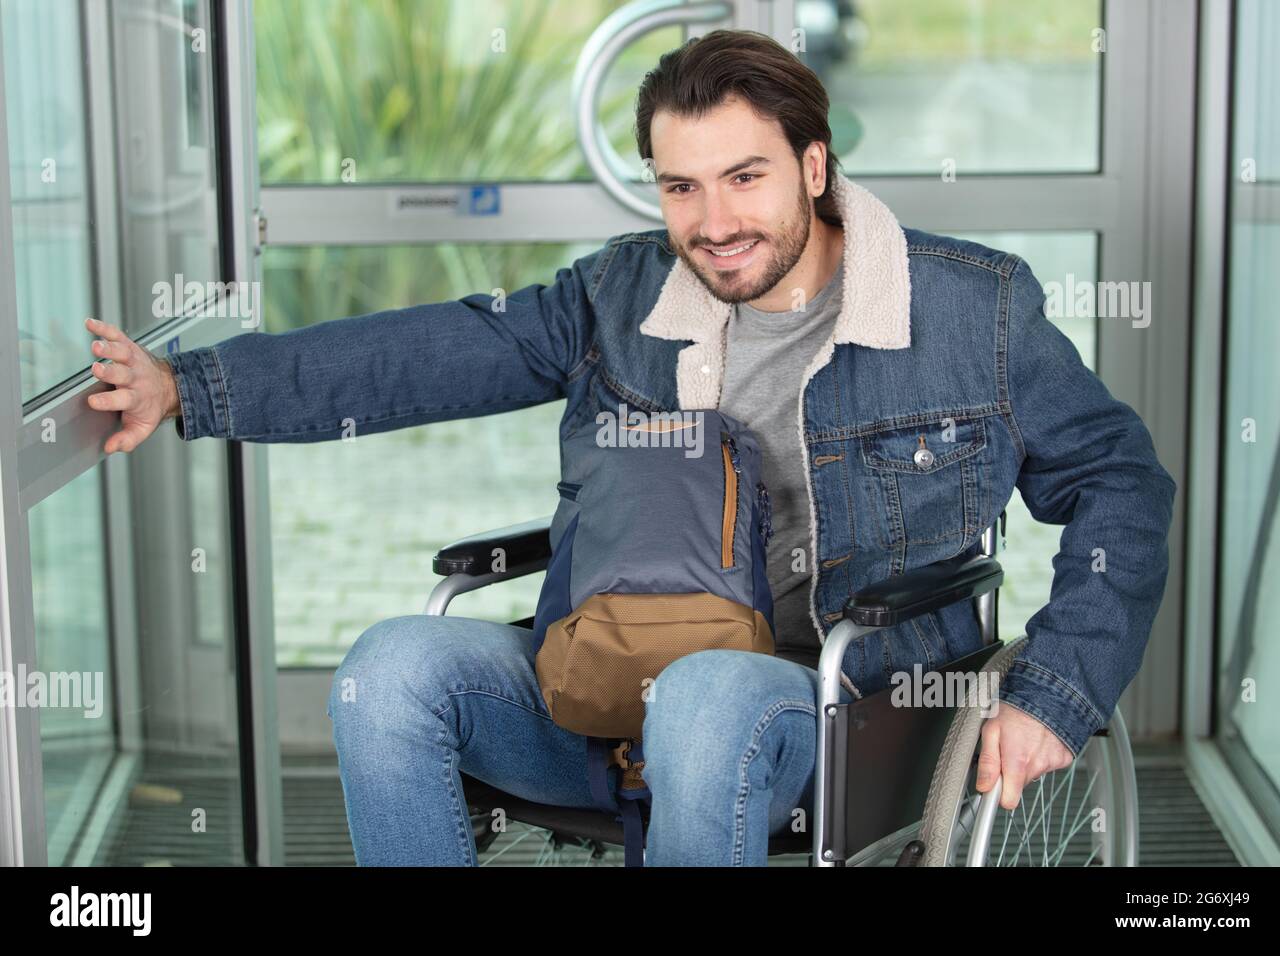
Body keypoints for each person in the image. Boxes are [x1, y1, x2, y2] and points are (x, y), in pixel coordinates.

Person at [82, 29, 1176, 866]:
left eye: (744, 176)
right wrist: (192, 385)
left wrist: (1054, 688)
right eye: (680, 187)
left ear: (811, 165)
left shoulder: (968, 309)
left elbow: (1119, 481)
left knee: (706, 690)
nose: (713, 222)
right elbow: (423, 356)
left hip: (851, 710)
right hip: (613, 689)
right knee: (390, 671)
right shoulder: (618, 293)